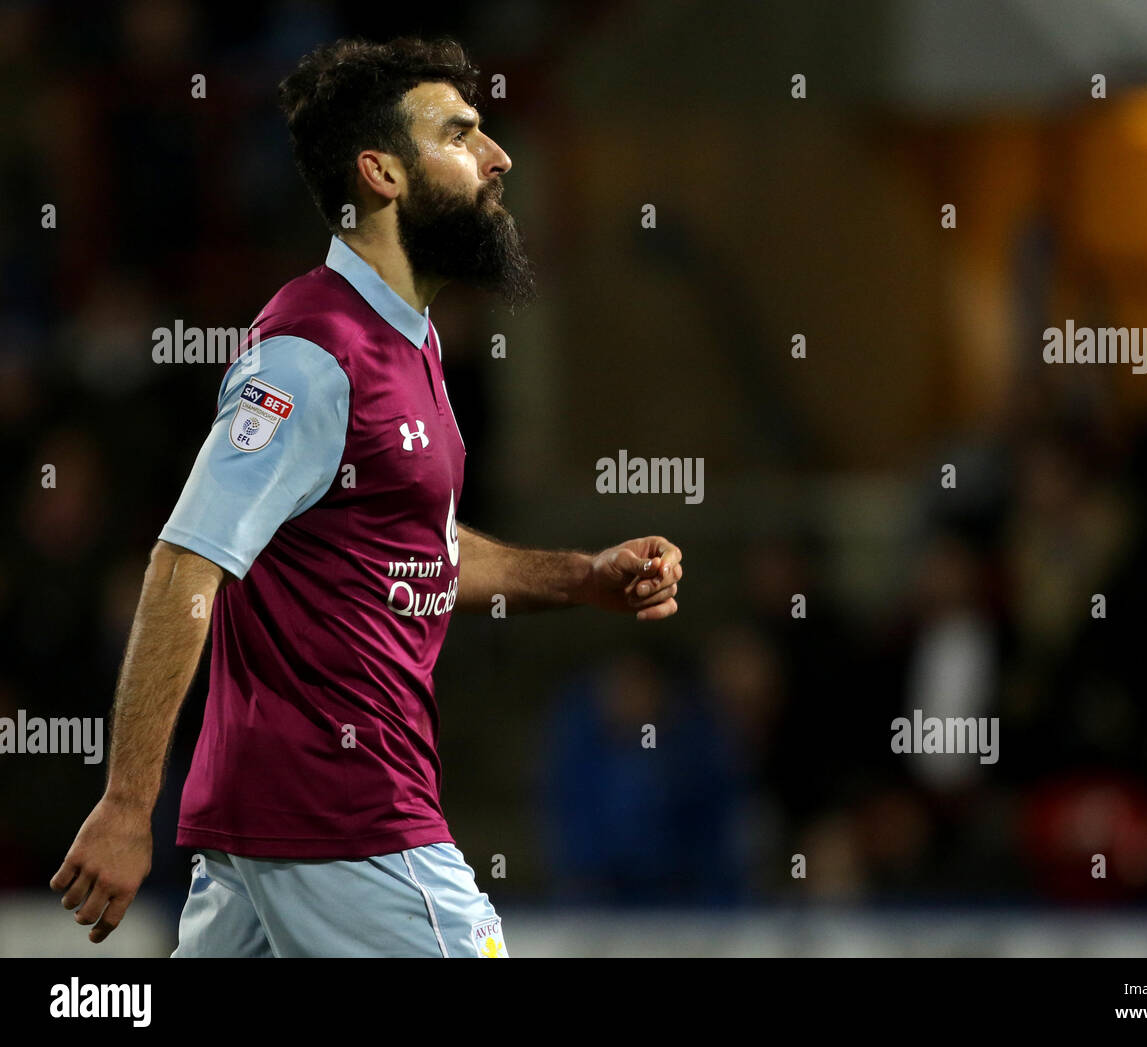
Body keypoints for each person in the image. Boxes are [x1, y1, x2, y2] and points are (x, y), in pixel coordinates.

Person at [48, 35, 684, 958]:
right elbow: (187, 560)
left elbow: (408, 550)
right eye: (462, 134)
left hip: (271, 829)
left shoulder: (406, 343)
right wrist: (124, 802)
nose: (498, 155)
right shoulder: (313, 356)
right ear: (381, 173)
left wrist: (580, 575)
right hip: (345, 816)